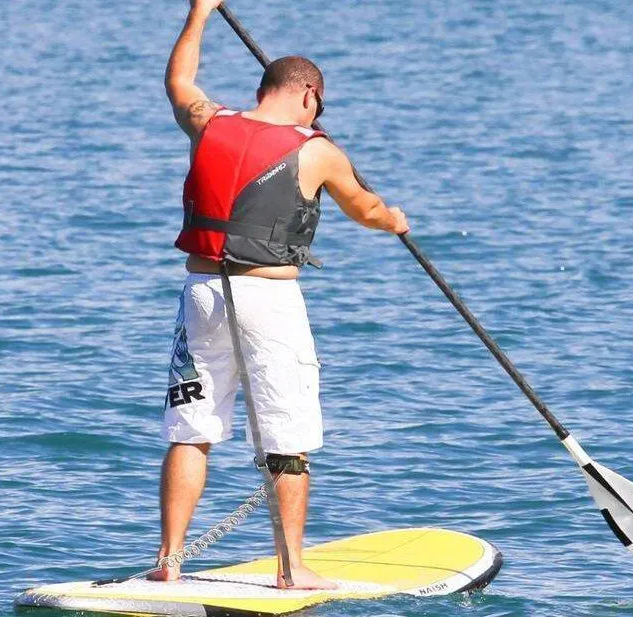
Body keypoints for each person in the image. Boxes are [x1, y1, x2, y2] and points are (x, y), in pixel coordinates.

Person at [155, 0, 409, 590]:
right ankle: (291, 568)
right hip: (268, 301)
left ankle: (169, 561)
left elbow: (179, 80)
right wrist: (392, 219)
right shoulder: (317, 149)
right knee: (286, 437)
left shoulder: (208, 122)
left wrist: (200, 12)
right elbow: (365, 209)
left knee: (192, 430)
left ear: (263, 89)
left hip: (201, 294)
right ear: (309, 96)